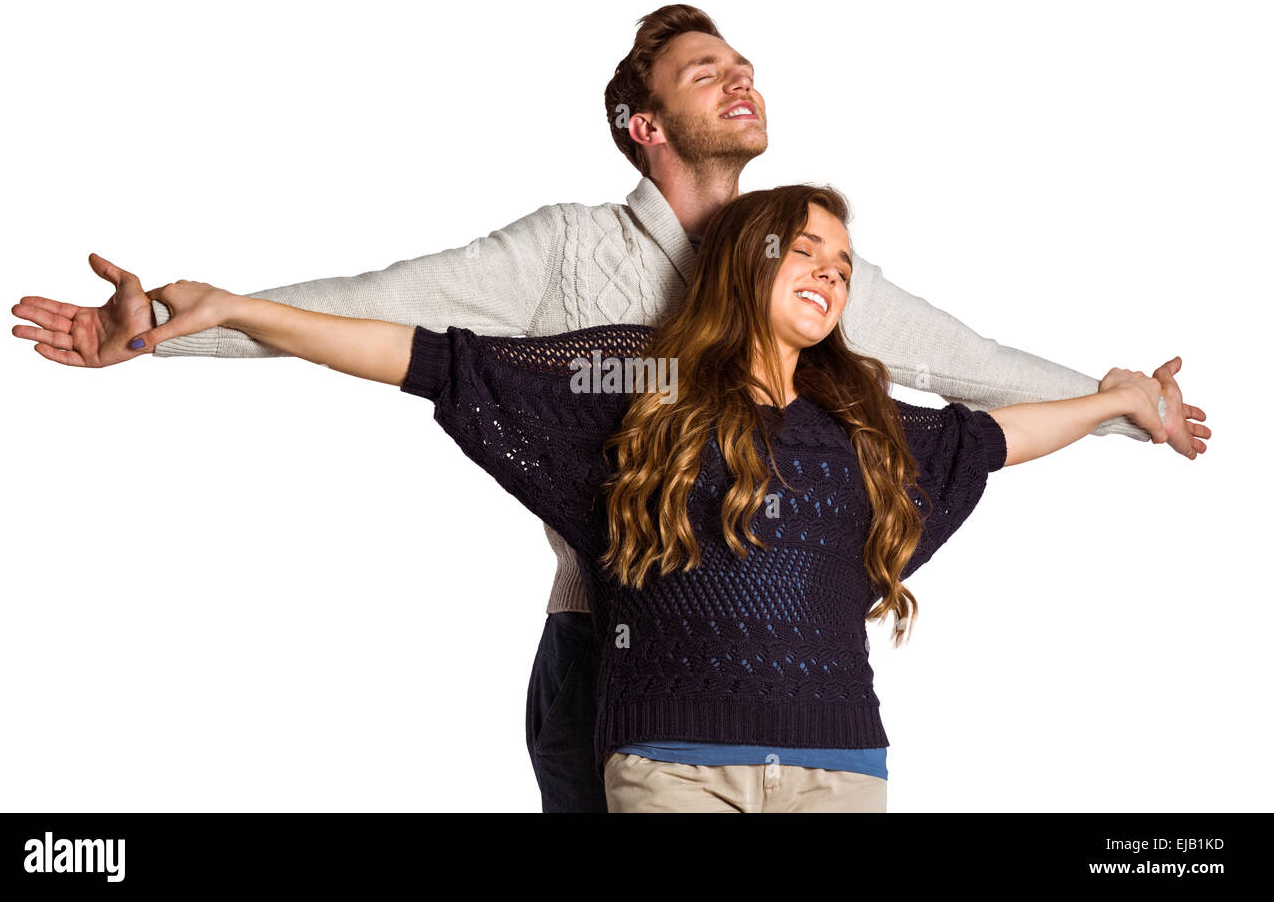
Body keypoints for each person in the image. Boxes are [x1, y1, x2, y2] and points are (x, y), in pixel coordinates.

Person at [9, 4, 1209, 812]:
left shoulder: (814, 267)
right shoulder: (569, 253)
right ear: (647, 126)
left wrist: (1125, 405)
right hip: (610, 655)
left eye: (743, 63)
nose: (740, 77)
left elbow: (981, 380)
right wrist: (173, 324)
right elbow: (380, 317)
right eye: (705, 72)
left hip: (792, 683)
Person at [129, 183, 1180, 811]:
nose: (829, 270)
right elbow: (434, 358)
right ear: (736, 262)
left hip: (841, 764)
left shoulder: (857, 415)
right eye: (800, 247)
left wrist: (1114, 403)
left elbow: (994, 432)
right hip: (671, 760)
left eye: (845, 264)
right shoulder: (644, 380)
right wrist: (241, 311)